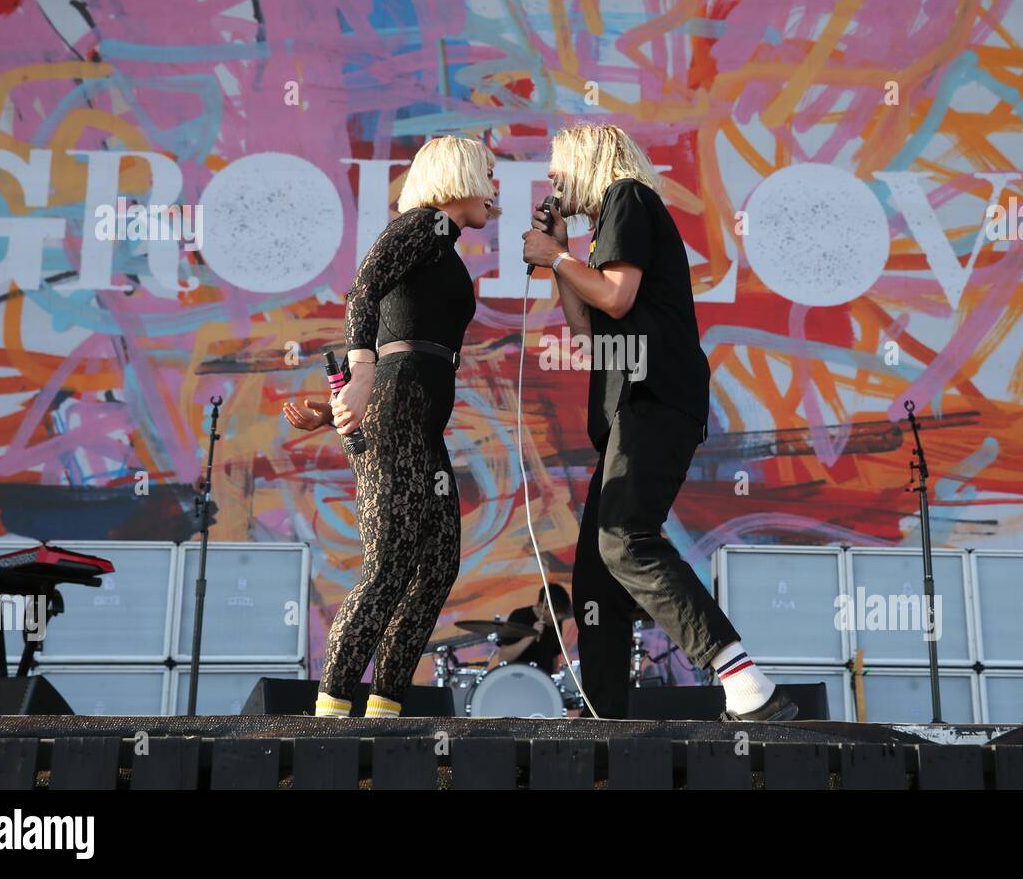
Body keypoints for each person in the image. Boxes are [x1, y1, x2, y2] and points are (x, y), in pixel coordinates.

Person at [521, 123, 797, 722]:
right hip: (632, 402)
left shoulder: (628, 197)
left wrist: (559, 256)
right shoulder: (605, 228)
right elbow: (590, 329)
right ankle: (605, 712)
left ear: (587, 159)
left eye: (557, 166)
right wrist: (560, 258)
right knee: (598, 571)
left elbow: (617, 298)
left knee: (625, 538)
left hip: (655, 395)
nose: (551, 179)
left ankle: (743, 680)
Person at [282, 134, 496, 719]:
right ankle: (330, 712)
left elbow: (397, 317)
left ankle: (385, 707)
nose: (495, 187)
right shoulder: (423, 225)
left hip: (415, 419)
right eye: (488, 173)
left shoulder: (444, 246)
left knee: (436, 562)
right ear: (458, 176)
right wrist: (359, 375)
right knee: (390, 564)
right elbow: (363, 294)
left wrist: (345, 402)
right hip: (399, 409)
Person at [494, 583, 573, 673]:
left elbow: (554, 658)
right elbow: (503, 658)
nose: (559, 617)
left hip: (544, 681)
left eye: (561, 614)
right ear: (541, 606)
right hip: (519, 678)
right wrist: (530, 635)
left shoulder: (556, 623)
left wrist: (555, 680)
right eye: (556, 612)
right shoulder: (519, 616)